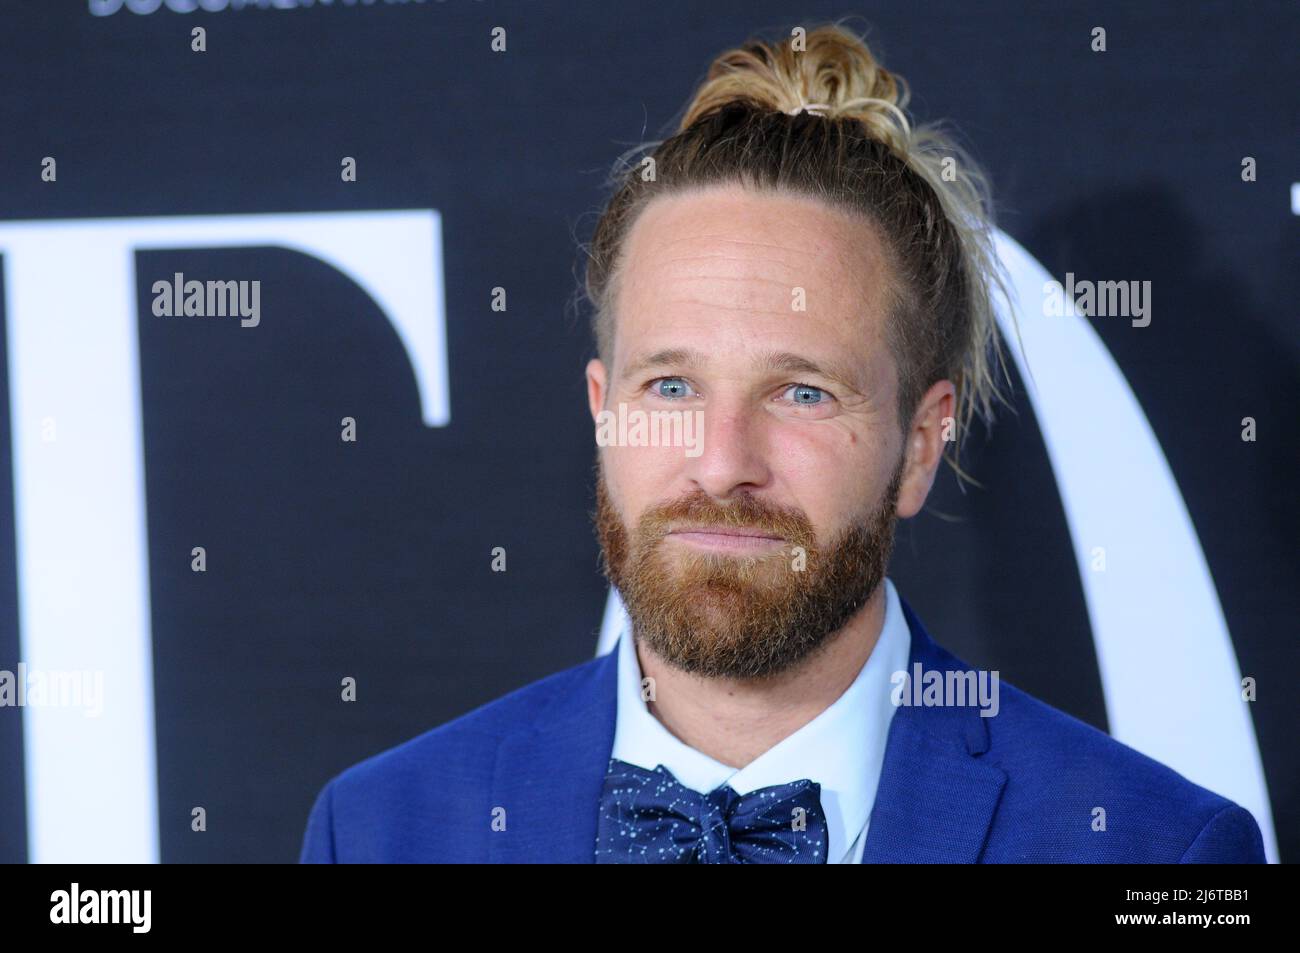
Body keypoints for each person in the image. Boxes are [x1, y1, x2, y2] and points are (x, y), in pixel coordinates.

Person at [299, 22, 1265, 863]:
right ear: (604, 410)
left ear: (923, 443)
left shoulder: (1149, 848)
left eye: (802, 392)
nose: (722, 461)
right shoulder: (383, 832)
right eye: (671, 385)